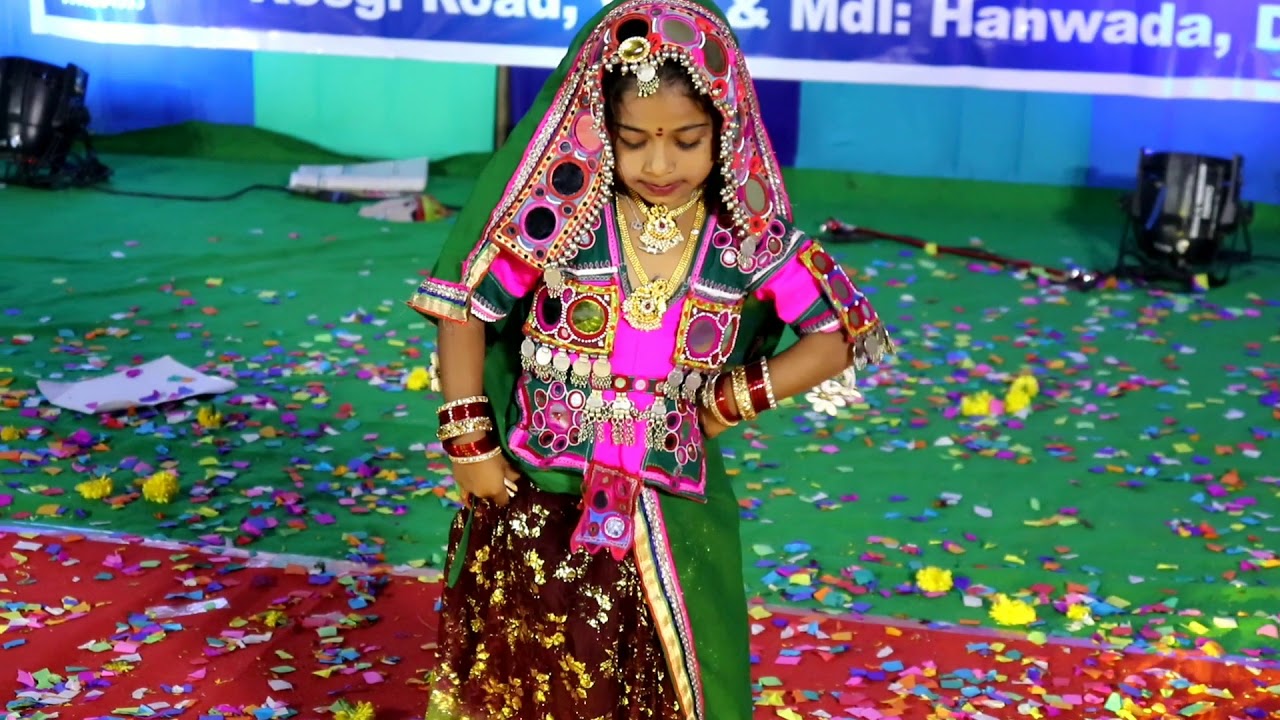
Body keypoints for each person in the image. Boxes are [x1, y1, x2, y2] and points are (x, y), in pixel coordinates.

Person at [407, 0, 893, 717]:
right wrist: (468, 442)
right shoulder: (558, 220)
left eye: (687, 140)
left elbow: (840, 332)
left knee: (675, 674)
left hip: (668, 505)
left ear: (724, 130)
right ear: (597, 130)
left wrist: (723, 405)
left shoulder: (746, 237)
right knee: (537, 670)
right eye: (633, 140)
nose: (660, 164)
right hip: (541, 491)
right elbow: (467, 306)